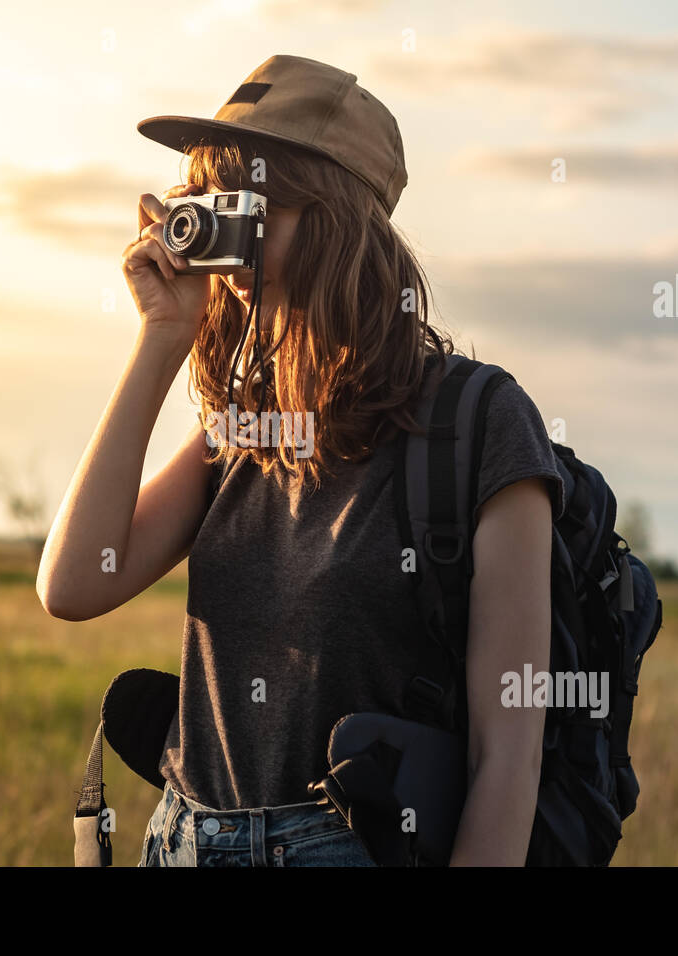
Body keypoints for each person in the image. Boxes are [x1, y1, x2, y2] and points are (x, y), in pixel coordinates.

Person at [38, 55, 565, 867]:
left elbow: (508, 758)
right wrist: (162, 338)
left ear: (338, 220)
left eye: (254, 206)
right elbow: (73, 586)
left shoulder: (479, 423)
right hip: (181, 841)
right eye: (209, 204)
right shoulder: (244, 423)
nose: (227, 234)